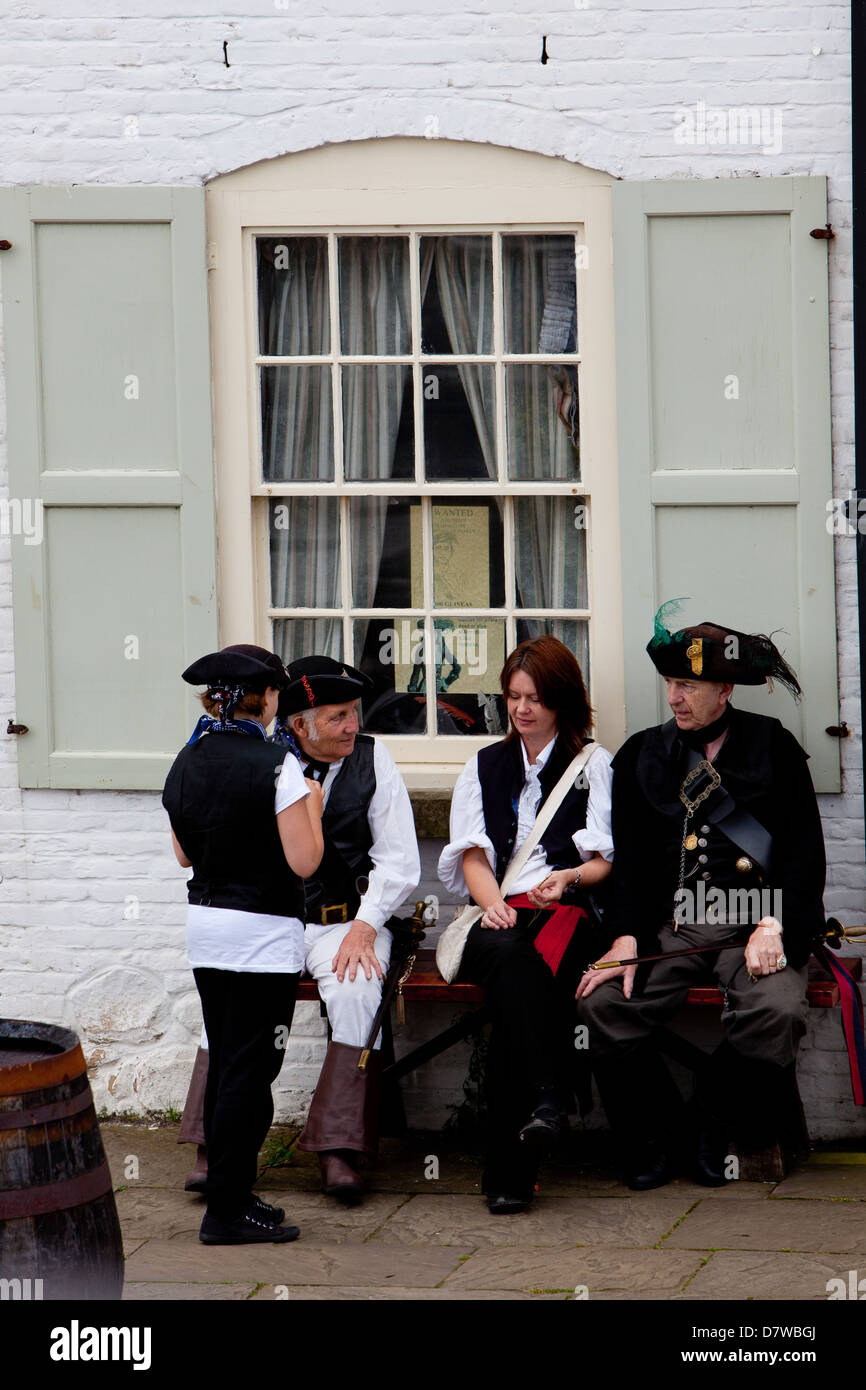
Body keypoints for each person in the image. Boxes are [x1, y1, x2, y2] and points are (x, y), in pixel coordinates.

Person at [576, 610, 827, 1191]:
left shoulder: (775, 747)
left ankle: (709, 1123)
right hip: (673, 930)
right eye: (670, 684)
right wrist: (625, 936)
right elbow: (631, 864)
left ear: (724, 691)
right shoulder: (643, 754)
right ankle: (653, 1136)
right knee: (602, 1005)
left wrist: (777, 925)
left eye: (688, 686)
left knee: (778, 1012)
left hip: (753, 929)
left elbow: (803, 855)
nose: (675, 697)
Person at [178, 655, 421, 1206]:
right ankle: (210, 1145)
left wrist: (366, 926)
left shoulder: (374, 759)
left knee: (358, 988)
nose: (352, 726)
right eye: (338, 717)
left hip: (345, 922)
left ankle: (340, 1147)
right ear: (299, 724)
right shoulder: (260, 763)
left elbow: (400, 861)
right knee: (230, 1008)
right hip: (273, 920)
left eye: (354, 713)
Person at [438, 635, 614, 1214]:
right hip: (500, 912)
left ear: (561, 700)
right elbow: (472, 857)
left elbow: (603, 862)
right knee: (516, 966)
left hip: (564, 912)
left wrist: (567, 877)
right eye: (514, 696)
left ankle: (510, 1174)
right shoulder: (483, 765)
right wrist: (492, 905)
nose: (522, 709)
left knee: (521, 996)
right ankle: (548, 1097)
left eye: (534, 697)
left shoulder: (593, 764)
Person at [163, 644, 324, 1244]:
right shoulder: (275, 764)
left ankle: (234, 1195)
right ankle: (225, 1212)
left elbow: (184, 854)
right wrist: (312, 805)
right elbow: (305, 861)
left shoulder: (186, 758)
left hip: (206, 931)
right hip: (261, 935)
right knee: (249, 1076)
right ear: (268, 698)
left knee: (230, 1064)